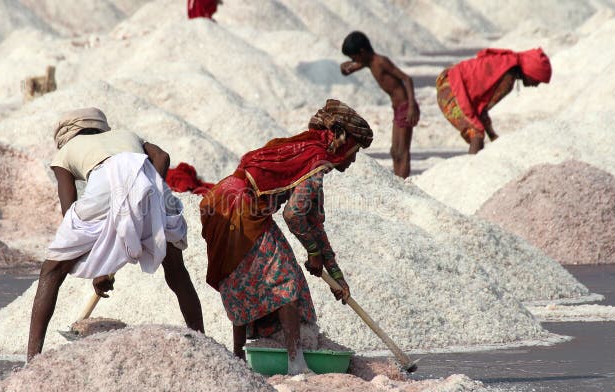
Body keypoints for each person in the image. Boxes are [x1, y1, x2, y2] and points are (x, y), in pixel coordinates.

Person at [200, 99, 372, 375]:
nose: (353, 159)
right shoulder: (317, 160)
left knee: (240, 278)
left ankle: (239, 360)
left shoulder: (304, 149)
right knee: (285, 280)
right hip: (243, 208)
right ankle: (296, 362)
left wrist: (336, 276)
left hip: (220, 199)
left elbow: (313, 221)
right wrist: (313, 254)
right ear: (343, 140)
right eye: (355, 151)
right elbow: (294, 214)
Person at [27, 107, 205, 361]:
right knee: (176, 270)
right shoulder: (126, 134)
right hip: (149, 178)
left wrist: (93, 257)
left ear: (66, 136)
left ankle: (32, 359)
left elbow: (72, 218)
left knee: (52, 271)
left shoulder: (65, 153)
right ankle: (202, 345)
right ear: (101, 127)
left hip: (105, 180)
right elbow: (163, 157)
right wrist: (151, 192)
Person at [436, 48, 552, 154]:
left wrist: (492, 135)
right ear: (532, 71)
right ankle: (472, 170)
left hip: (449, 81)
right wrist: (492, 135)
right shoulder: (507, 79)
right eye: (538, 80)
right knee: (476, 132)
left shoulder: (506, 64)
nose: (536, 85)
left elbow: (480, 105)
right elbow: (481, 110)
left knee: (477, 130)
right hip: (451, 89)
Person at [340, 31, 419, 179]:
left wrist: (412, 106)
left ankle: (403, 182)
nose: (353, 60)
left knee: (402, 151)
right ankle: (398, 180)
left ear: (362, 52)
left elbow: (407, 79)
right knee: (394, 151)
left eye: (353, 57)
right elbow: (347, 72)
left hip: (406, 107)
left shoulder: (381, 61)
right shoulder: (367, 62)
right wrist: (343, 67)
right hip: (397, 109)